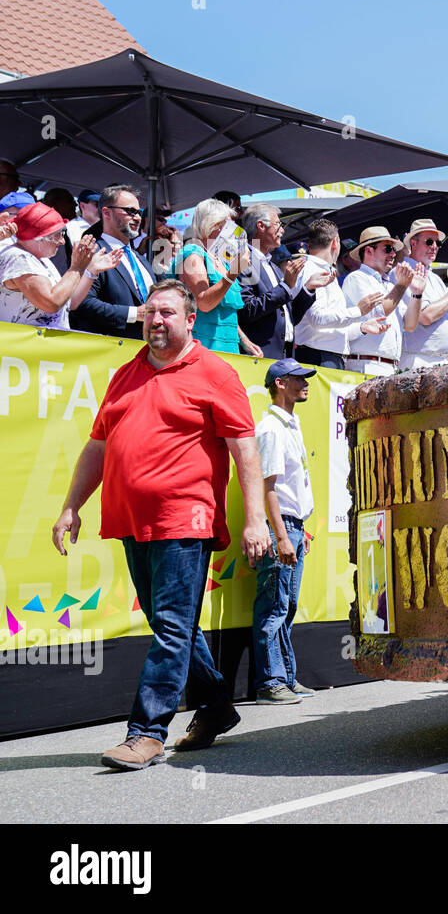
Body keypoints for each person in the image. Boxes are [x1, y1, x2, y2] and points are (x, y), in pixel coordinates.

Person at [52, 279, 273, 769]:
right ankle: (216, 707)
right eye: (151, 312)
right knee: (171, 626)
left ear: (191, 320)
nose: (156, 320)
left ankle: (146, 733)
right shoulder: (125, 374)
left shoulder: (216, 373)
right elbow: (98, 447)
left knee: (172, 626)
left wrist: (256, 520)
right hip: (132, 519)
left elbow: (245, 451)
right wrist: (72, 505)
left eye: (168, 312)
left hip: (186, 518)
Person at [252, 358, 318, 705]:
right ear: (280, 384)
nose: (305, 383)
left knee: (287, 605)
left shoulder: (289, 424)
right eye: (299, 379)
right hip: (281, 527)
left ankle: (286, 678)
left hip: (294, 526)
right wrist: (280, 535)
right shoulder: (271, 428)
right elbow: (267, 488)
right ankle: (270, 682)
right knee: (273, 606)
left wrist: (295, 531)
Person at [292, 220, 396, 369]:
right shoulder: (313, 269)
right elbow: (317, 319)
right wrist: (358, 310)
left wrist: (362, 327)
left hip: (325, 355)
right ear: (335, 242)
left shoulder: (322, 270)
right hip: (317, 356)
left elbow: (331, 328)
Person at [0, 203, 119, 329]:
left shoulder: (42, 260)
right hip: (21, 346)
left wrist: (90, 270)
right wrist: (76, 268)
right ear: (38, 237)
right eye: (58, 234)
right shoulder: (19, 258)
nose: (62, 241)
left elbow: (69, 302)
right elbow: (51, 303)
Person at [69, 183, 159, 339]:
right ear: (106, 213)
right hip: (109, 352)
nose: (137, 217)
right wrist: (134, 313)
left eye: (139, 212)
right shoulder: (92, 253)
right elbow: (81, 304)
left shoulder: (140, 260)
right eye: (130, 211)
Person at [236, 203, 321, 359]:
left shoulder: (273, 267)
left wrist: (308, 289)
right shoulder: (244, 261)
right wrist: (285, 286)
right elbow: (247, 310)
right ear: (261, 226)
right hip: (259, 354)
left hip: (284, 354)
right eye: (278, 225)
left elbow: (288, 315)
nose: (282, 230)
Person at [176, 198, 251, 355]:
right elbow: (203, 302)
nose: (234, 230)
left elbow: (224, 307)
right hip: (204, 344)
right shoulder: (192, 253)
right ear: (214, 224)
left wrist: (244, 340)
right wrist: (235, 271)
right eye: (228, 224)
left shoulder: (219, 259)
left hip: (228, 345)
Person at [340, 226, 412, 375]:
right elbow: (380, 313)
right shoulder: (356, 278)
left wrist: (418, 293)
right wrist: (402, 285)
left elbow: (410, 324)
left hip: (389, 367)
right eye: (387, 249)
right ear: (369, 251)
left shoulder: (390, 285)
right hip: (366, 364)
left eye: (393, 249)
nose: (393, 254)